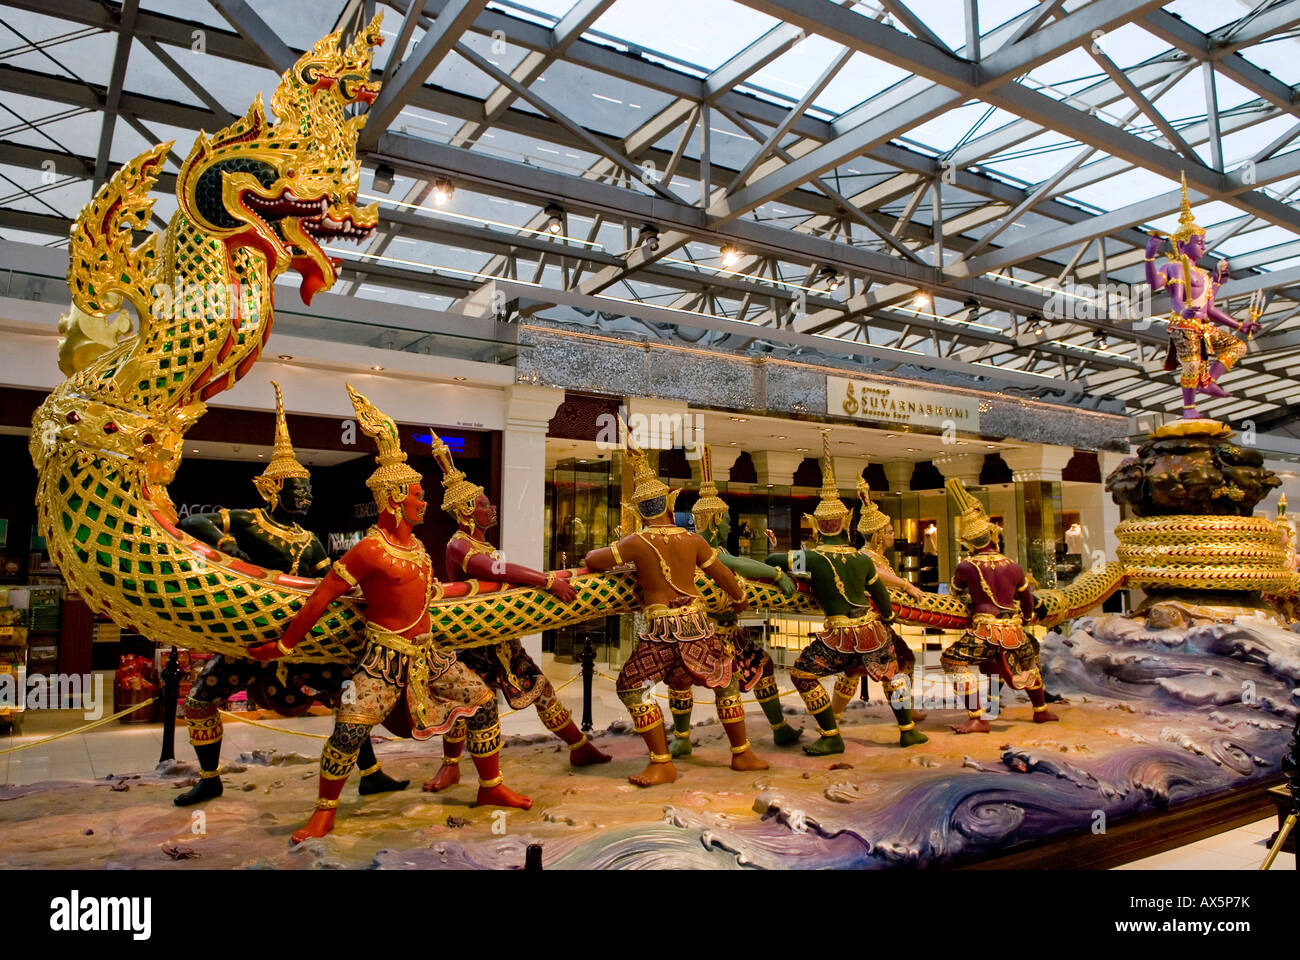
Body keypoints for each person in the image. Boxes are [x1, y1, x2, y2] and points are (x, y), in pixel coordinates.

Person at [248, 384, 530, 843]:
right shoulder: (369, 549)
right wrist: (282, 646)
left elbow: (428, 593)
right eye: (419, 495)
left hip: (430, 655)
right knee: (348, 730)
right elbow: (321, 598)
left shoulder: (418, 545)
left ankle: (491, 787)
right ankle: (324, 812)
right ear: (397, 497)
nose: (425, 502)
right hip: (381, 661)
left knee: (482, 704)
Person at [175, 382, 404, 805]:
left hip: (304, 636)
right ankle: (209, 776)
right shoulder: (247, 521)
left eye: (310, 490)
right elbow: (194, 524)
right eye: (300, 489)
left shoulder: (309, 540)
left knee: (349, 699)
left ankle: (370, 771)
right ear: (273, 489)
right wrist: (230, 550)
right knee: (201, 698)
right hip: (253, 634)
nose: (308, 495)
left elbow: (329, 584)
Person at [423, 434, 610, 794]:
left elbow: (499, 568)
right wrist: (545, 581)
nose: (490, 508)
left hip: (500, 638)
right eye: (483, 504)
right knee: (467, 706)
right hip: (471, 639)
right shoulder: (460, 544)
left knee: (540, 690)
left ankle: (579, 747)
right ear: (466, 512)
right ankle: (459, 771)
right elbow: (497, 570)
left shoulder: (480, 542)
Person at [584, 420, 764, 786]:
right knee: (724, 682)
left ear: (640, 511)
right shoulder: (693, 540)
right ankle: (741, 753)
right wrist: (741, 598)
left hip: (664, 630)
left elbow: (592, 561)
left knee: (631, 688)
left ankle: (663, 761)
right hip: (698, 624)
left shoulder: (636, 542)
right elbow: (724, 579)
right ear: (670, 504)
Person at [767, 435, 926, 755]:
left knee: (802, 673)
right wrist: (890, 617)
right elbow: (881, 596)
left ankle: (831, 732)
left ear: (814, 524)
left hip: (839, 633)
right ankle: (907, 730)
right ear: (848, 522)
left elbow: (773, 561)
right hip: (873, 630)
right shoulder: (860, 559)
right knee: (892, 674)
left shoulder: (812, 558)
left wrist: (782, 572)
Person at [666, 447, 802, 757]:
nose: (730, 524)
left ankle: (778, 729)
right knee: (689, 681)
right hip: (703, 635)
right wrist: (775, 572)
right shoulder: (701, 550)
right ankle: (690, 738)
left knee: (762, 667)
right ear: (714, 521)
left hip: (727, 633)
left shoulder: (697, 547)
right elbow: (733, 564)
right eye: (726, 519)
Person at [940, 478, 1060, 733]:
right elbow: (1027, 602)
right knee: (1029, 660)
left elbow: (955, 593)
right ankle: (1040, 710)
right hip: (1014, 629)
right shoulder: (1013, 566)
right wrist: (1027, 618)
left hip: (984, 630)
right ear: (993, 535)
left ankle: (977, 717)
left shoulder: (966, 566)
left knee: (951, 660)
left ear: (970, 542)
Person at [1145, 173, 1260, 419]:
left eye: (1204, 242)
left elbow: (1210, 310)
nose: (1203, 247)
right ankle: (1189, 409)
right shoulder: (1175, 267)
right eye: (1199, 242)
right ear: (1183, 244)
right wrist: (1150, 257)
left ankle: (1207, 382)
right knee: (1191, 365)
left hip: (1203, 326)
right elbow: (1160, 287)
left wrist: (1240, 324)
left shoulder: (1205, 275)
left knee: (1237, 346)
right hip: (1184, 325)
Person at [828, 477, 929, 723]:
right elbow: (875, 576)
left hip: (878, 626)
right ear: (877, 536)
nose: (893, 535)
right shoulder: (864, 557)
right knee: (891, 665)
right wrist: (906, 584)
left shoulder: (876, 557)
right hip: (865, 625)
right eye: (890, 532)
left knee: (891, 663)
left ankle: (836, 714)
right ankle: (903, 721)